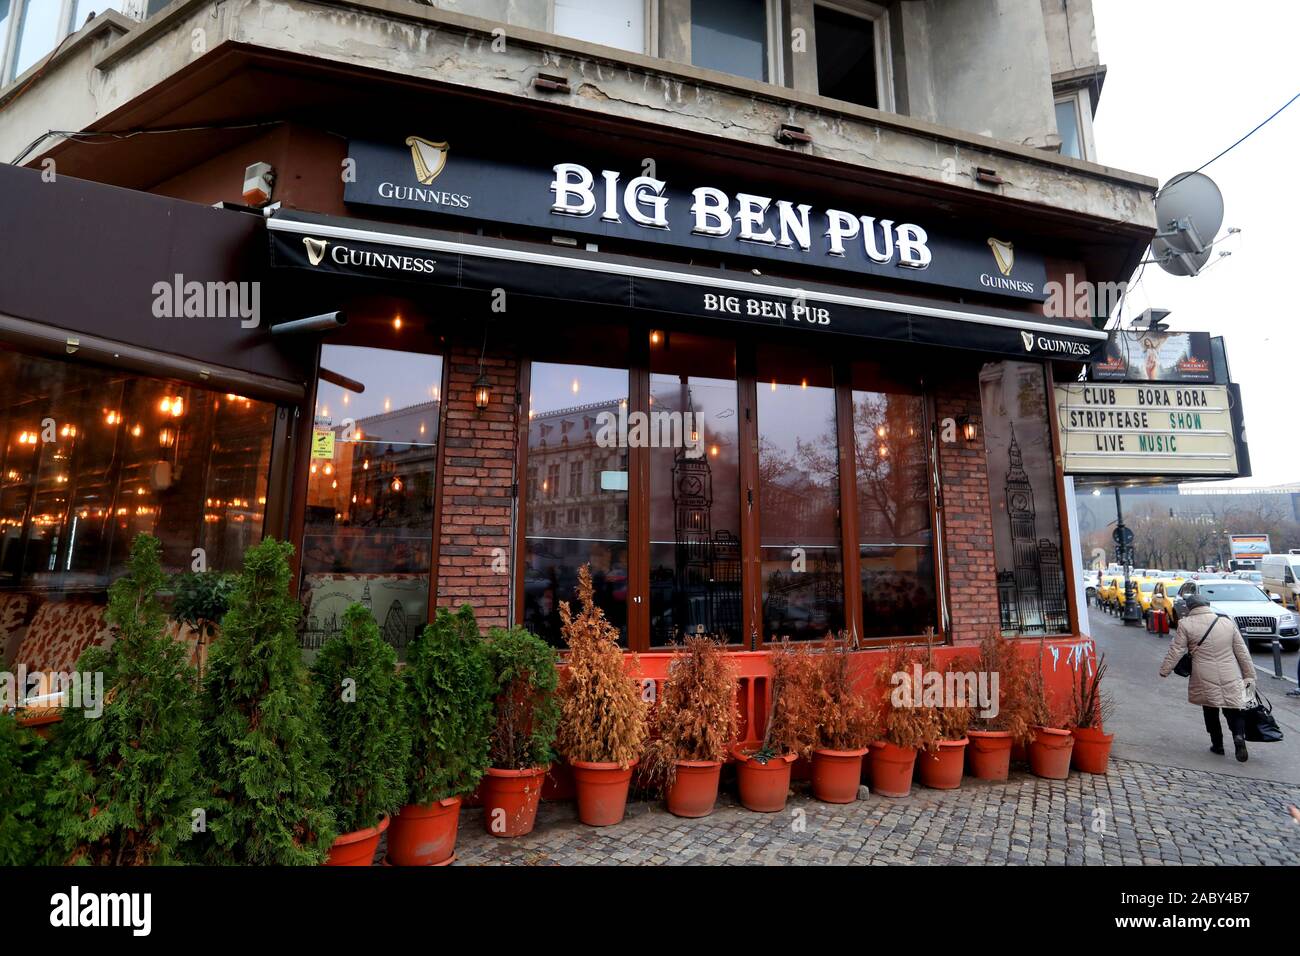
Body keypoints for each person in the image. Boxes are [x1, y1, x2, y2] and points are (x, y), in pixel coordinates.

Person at [1159, 593, 1258, 762]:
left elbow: (1176, 650)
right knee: (1234, 708)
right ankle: (1238, 737)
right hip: (1230, 672)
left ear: (1190, 607)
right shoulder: (1226, 622)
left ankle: (1217, 745)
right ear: (1207, 604)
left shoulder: (1186, 624)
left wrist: (1165, 670)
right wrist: (1249, 675)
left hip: (1203, 673)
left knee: (1210, 709)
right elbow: (1242, 651)